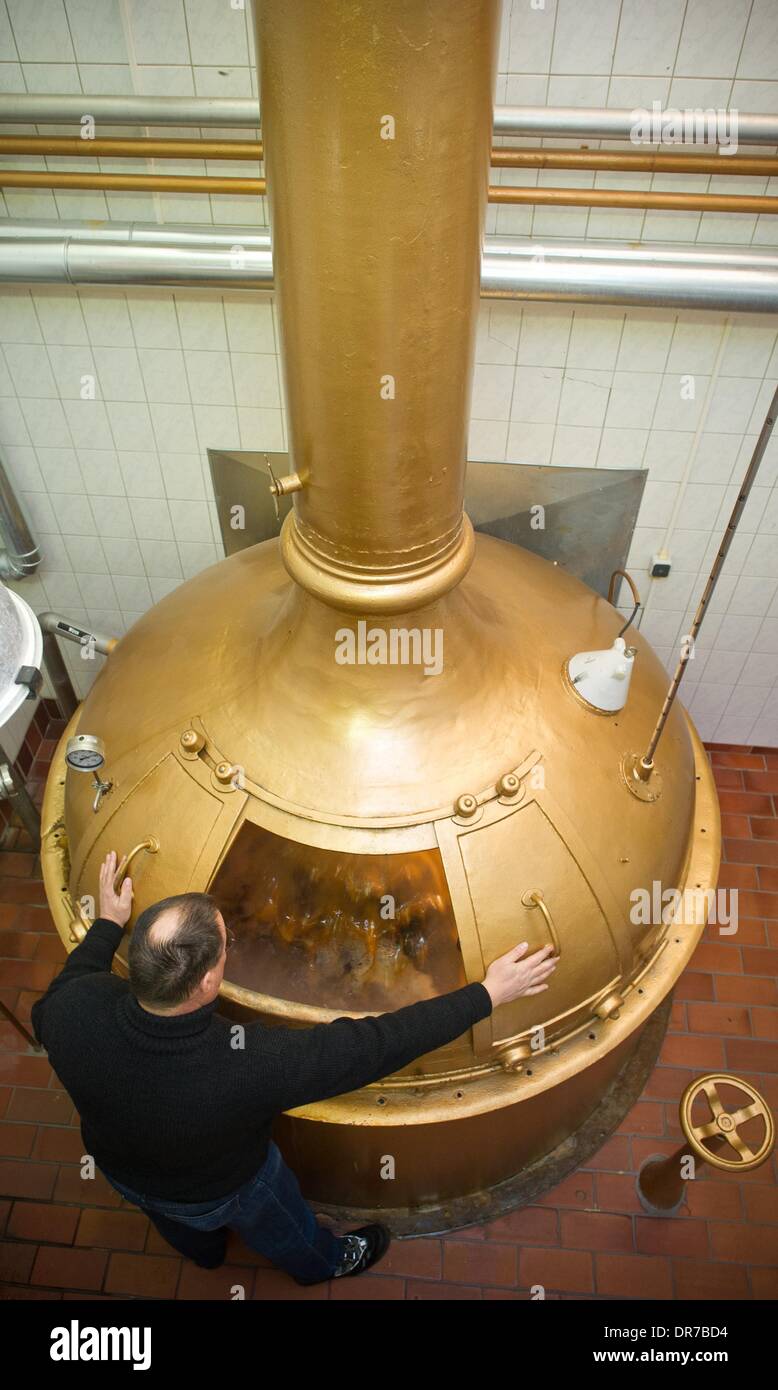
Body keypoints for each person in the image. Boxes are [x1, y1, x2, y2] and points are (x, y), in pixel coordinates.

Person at [31, 850, 558, 1285]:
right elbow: (376, 1044)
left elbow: (77, 971)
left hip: (124, 1173)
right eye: (224, 947)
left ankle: (206, 1255)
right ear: (209, 984)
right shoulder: (246, 1065)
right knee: (284, 1225)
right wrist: (487, 994)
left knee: (181, 1224)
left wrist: (105, 923)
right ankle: (324, 1264)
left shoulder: (67, 1010)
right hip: (230, 1186)